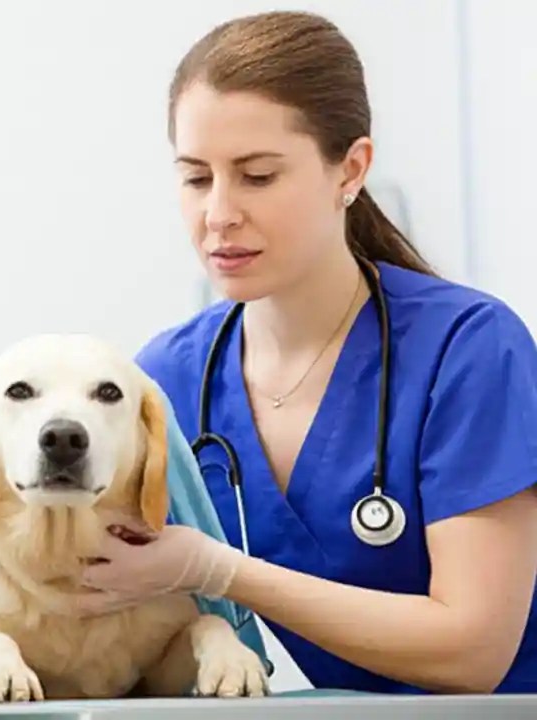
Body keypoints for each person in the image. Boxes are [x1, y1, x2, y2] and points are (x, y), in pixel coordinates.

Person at [77, 10, 537, 695]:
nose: (219, 214)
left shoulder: (467, 351)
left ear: (350, 170)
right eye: (197, 178)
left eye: (258, 176)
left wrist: (219, 570)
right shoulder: (166, 377)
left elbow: (472, 651)